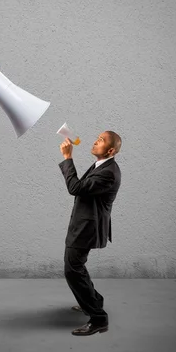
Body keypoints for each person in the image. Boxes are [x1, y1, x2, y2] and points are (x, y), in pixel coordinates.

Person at [58, 130, 122, 336]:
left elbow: (75, 188)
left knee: (72, 270)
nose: (95, 142)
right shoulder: (102, 165)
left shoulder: (108, 172)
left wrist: (68, 158)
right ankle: (94, 301)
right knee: (77, 267)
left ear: (111, 150)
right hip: (84, 225)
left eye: (101, 141)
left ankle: (98, 318)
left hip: (87, 228)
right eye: (97, 138)